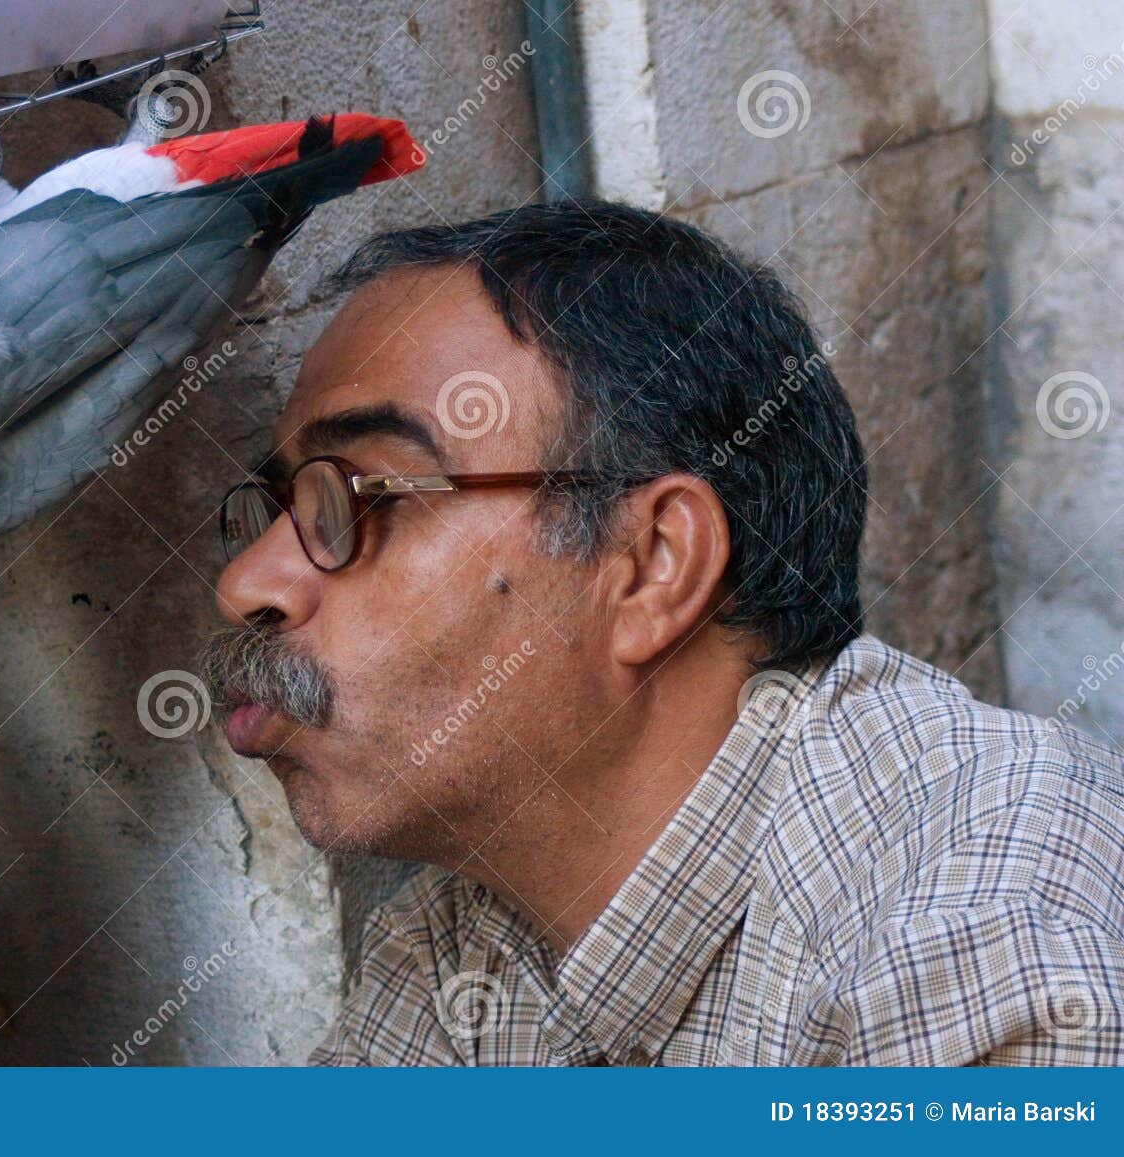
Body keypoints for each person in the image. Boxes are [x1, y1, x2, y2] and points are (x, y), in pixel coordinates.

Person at [198, 201, 1124, 1066]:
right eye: (279, 508)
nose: (245, 583)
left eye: (357, 496)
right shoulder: (454, 945)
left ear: (651, 565)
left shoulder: (989, 939)